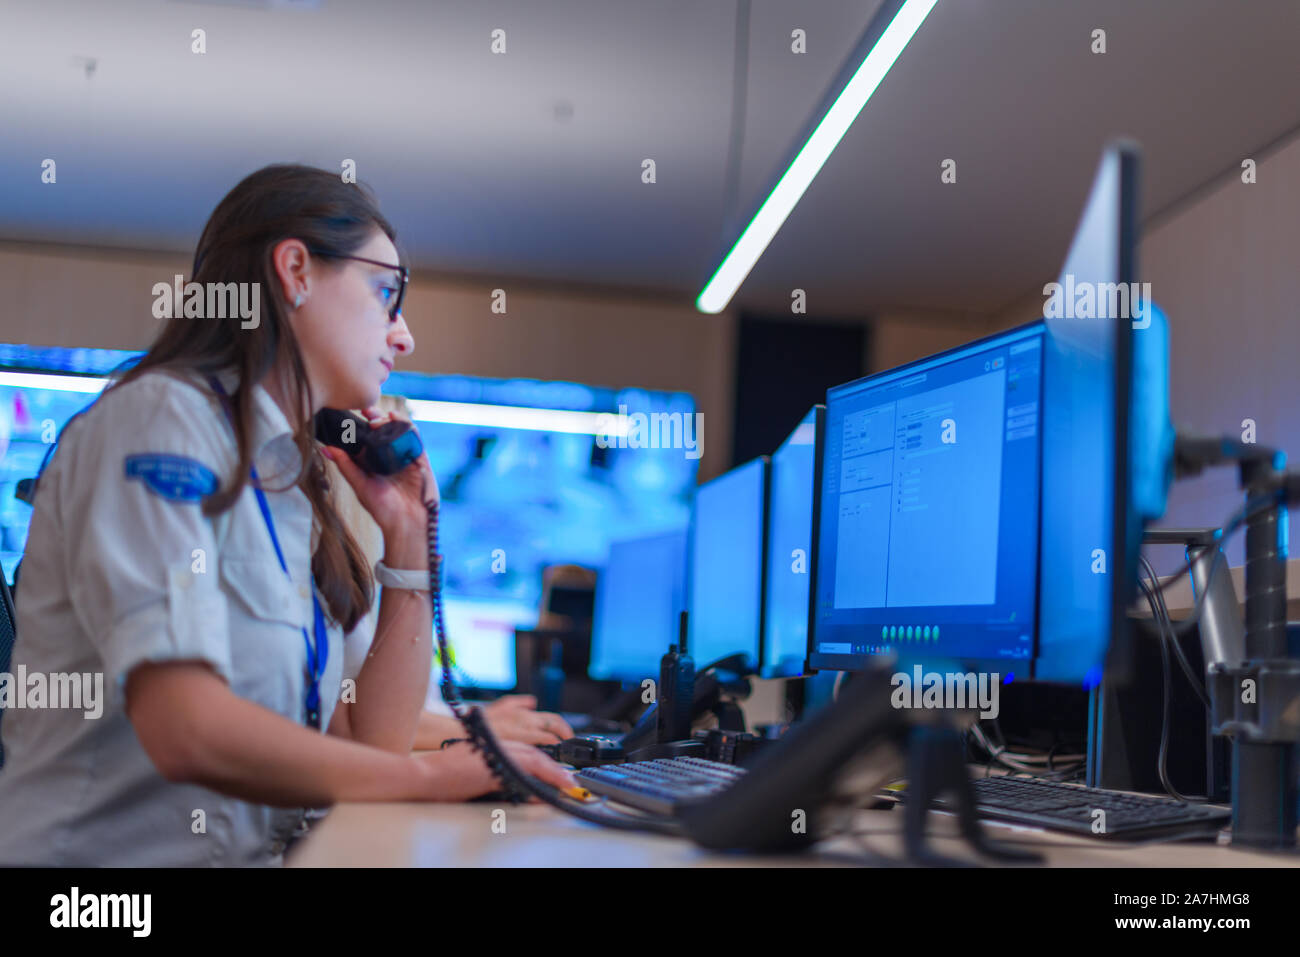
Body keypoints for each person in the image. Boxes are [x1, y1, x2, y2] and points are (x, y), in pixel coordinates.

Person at [0, 164, 573, 866]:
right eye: (385, 292)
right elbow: (186, 726)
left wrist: (406, 542)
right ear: (295, 270)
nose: (404, 337)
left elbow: (370, 749)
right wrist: (429, 775)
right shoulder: (161, 424)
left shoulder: (286, 485)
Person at [324, 395, 575, 748]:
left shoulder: (382, 564)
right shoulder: (325, 576)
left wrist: (473, 718)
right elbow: (349, 732)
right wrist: (477, 729)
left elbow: (389, 717)